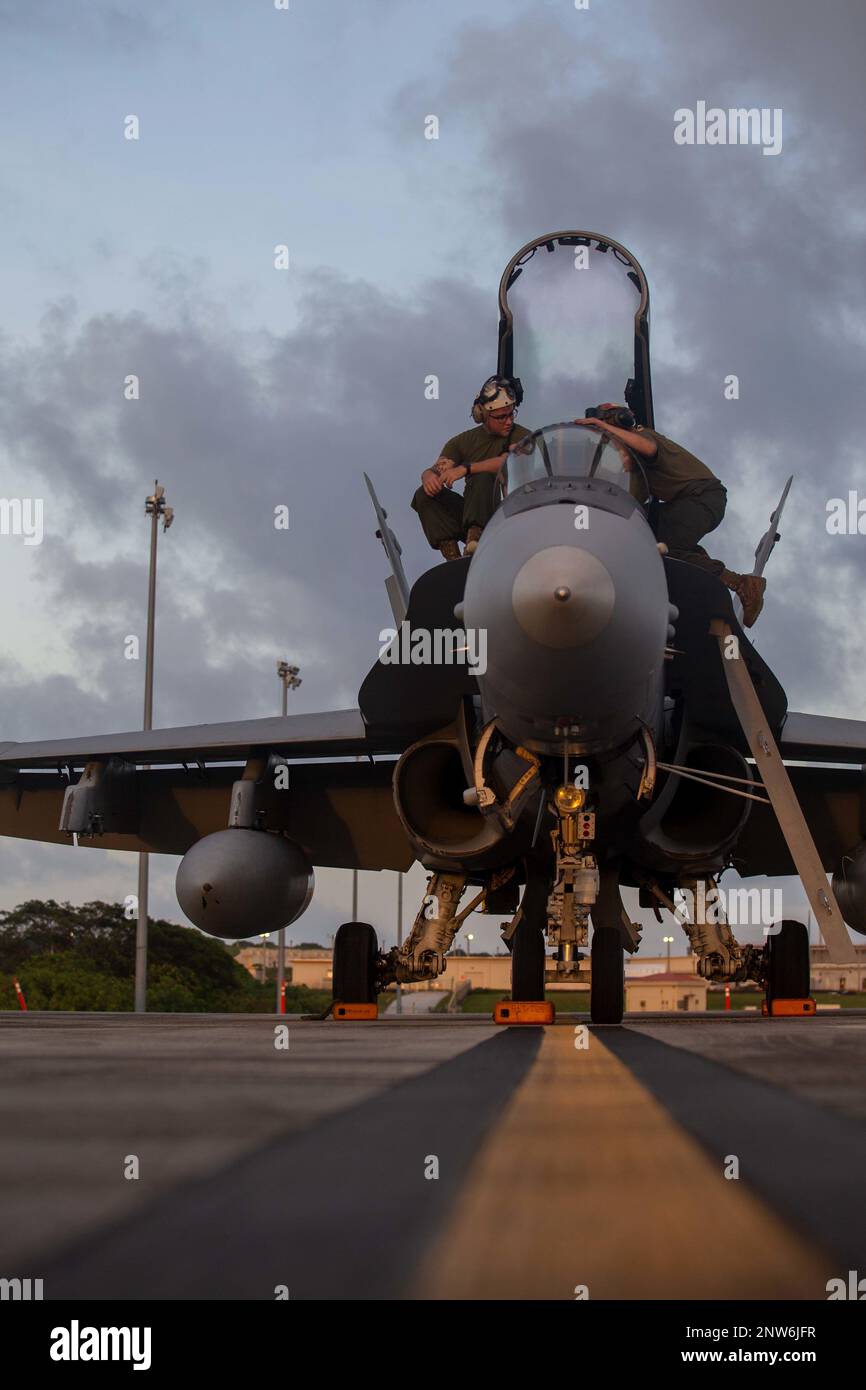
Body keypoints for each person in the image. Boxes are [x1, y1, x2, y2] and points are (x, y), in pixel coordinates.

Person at [574, 405, 766, 627]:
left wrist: (601, 426)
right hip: (688, 502)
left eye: (607, 418)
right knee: (643, 529)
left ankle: (743, 584)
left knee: (662, 548)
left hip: (703, 498)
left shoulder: (642, 435)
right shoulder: (636, 463)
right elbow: (630, 498)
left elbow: (648, 448)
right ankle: (699, 560)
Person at [412, 376, 532, 560]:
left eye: (511, 414)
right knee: (424, 495)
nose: (508, 421)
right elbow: (440, 468)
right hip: (471, 515)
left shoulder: (523, 436)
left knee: (482, 476)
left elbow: (508, 462)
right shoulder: (464, 441)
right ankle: (453, 557)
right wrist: (428, 476)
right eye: (501, 417)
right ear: (482, 415)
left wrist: (466, 469)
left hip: (508, 520)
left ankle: (476, 539)